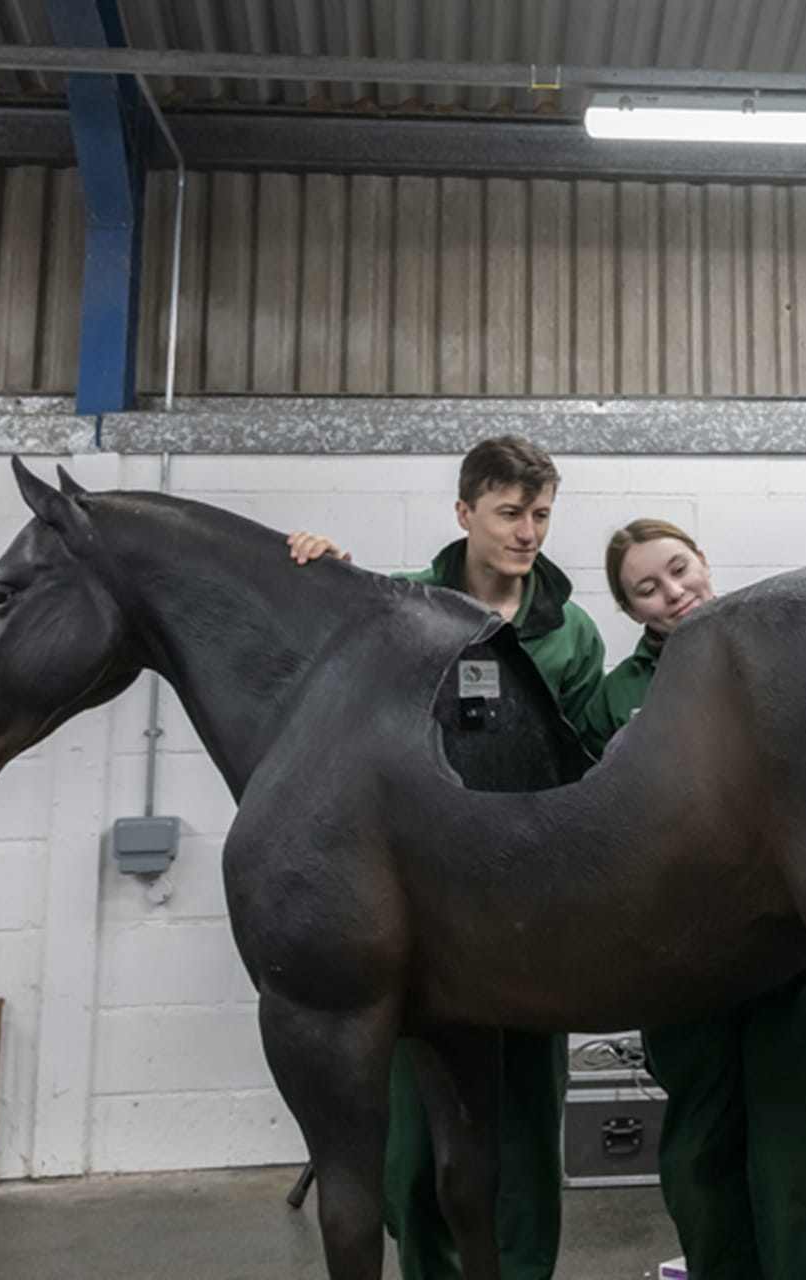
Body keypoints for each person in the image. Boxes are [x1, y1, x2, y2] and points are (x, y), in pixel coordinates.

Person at [289, 434, 605, 1280]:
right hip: (420, 911)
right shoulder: (403, 604)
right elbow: (316, 661)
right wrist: (320, 568)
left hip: (529, 913)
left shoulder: (570, 632)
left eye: (541, 515)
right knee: (417, 1127)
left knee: (525, 1120)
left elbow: (582, 770)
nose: (528, 532)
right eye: (509, 513)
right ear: (464, 512)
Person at [580, 518, 806, 1280]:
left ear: (703, 561)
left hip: (793, 953)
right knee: (701, 1158)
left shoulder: (786, 656)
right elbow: (599, 828)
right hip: (682, 966)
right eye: (647, 589)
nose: (674, 593)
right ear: (630, 610)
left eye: (679, 569)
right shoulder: (616, 699)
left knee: (804, 1159)